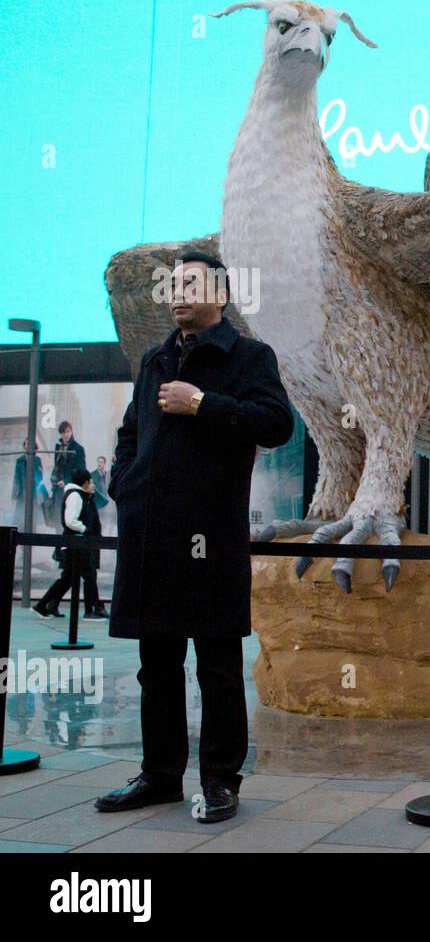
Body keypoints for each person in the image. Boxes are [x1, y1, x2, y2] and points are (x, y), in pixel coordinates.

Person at [94, 250, 294, 824]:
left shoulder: (250, 356)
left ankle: (220, 781)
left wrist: (204, 403)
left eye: (190, 282)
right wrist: (124, 487)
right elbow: (131, 431)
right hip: (150, 531)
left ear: (221, 294)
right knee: (155, 665)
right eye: (172, 284)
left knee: (217, 665)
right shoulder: (156, 360)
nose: (177, 292)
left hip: (209, 534)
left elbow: (276, 423)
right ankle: (160, 776)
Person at [33, 467, 106, 619]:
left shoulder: (80, 495)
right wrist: (85, 529)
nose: (92, 483)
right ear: (85, 482)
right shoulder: (75, 496)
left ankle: (45, 605)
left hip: (75, 544)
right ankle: (92, 609)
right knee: (88, 575)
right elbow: (71, 520)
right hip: (76, 544)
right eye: (90, 481)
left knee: (68, 578)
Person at [9, 438, 47, 529]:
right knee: (21, 519)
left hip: (34, 494)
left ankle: (31, 537)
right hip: (22, 493)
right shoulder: (20, 460)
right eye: (26, 444)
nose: (27, 446)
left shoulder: (37, 460)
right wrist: (14, 496)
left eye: (29, 444)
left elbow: (40, 477)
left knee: (33, 519)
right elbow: (16, 479)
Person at [50, 421, 87, 493]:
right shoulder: (58, 447)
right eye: (63, 432)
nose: (66, 434)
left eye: (68, 431)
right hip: (58, 486)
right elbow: (57, 466)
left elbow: (81, 469)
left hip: (72, 485)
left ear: (72, 432)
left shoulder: (78, 448)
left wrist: (66, 480)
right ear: (60, 434)